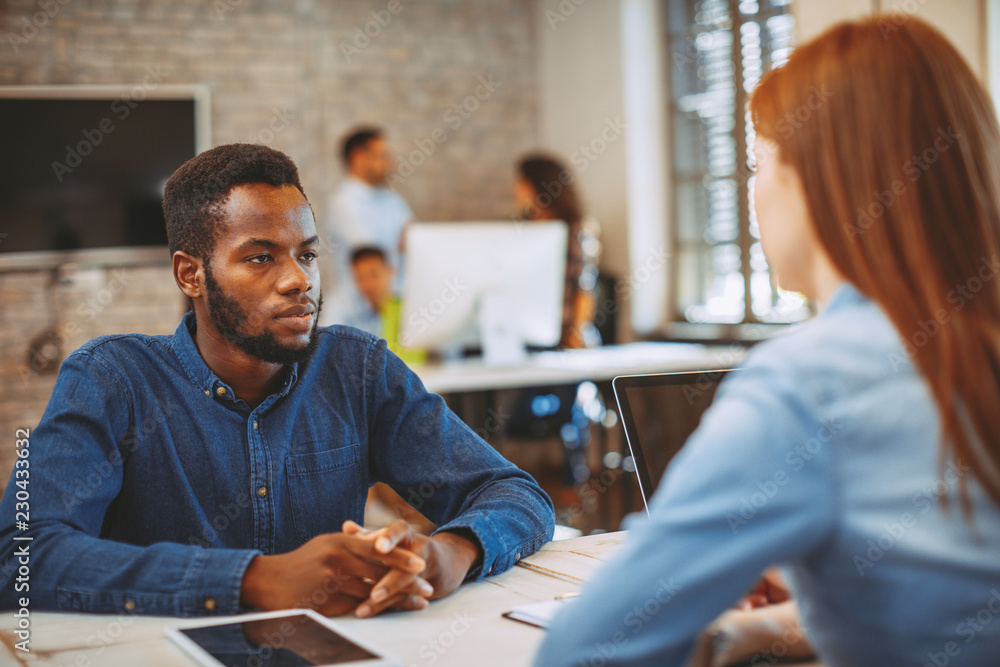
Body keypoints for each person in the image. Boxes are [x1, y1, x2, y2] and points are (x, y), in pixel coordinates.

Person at [536, 15, 1000, 666]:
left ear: (821, 181)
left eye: (758, 163)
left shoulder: (813, 380)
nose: (753, 195)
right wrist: (794, 613)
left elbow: (583, 651)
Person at [0, 143, 554, 618]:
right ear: (191, 274)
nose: (299, 280)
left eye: (307, 255)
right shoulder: (111, 379)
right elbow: (18, 558)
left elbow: (514, 492)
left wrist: (449, 555)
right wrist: (255, 579)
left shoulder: (356, 369)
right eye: (261, 257)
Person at [321, 126, 413, 326]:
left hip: (396, 306)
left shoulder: (393, 200)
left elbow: (415, 242)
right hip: (358, 311)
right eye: (381, 156)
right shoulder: (343, 203)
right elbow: (373, 255)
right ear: (358, 157)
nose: (390, 163)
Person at [514, 154, 601, 349]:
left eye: (521, 183)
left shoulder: (576, 230)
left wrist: (575, 333)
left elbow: (585, 287)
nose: (516, 190)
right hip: (529, 336)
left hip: (565, 339)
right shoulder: (522, 230)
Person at [342, 245, 394, 337]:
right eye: (361, 278)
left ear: (389, 272)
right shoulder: (349, 312)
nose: (368, 284)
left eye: (374, 275)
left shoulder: (405, 308)